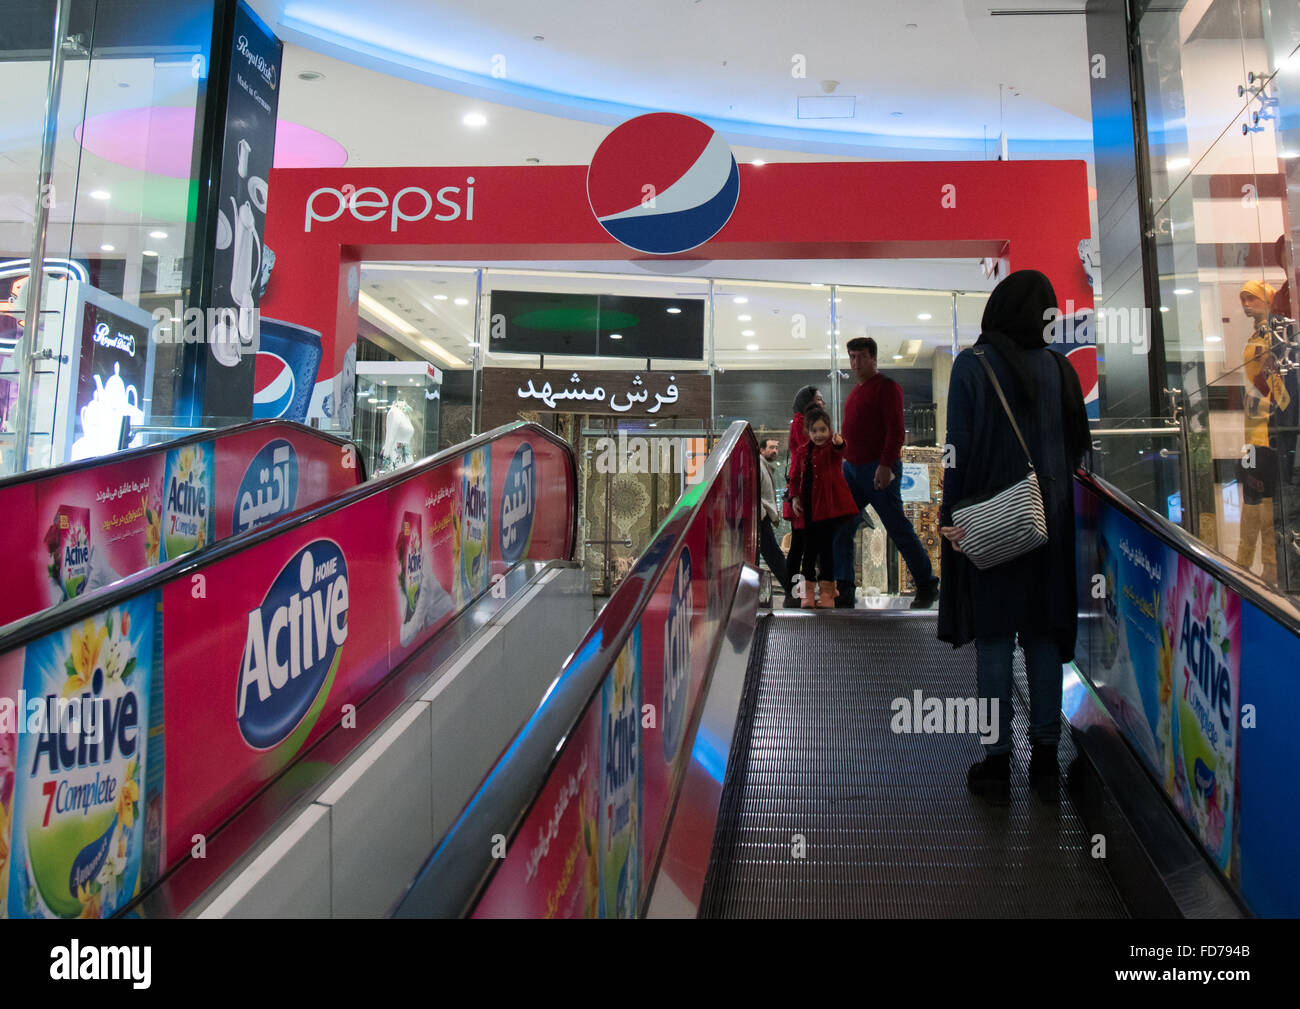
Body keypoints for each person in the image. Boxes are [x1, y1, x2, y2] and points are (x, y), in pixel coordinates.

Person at [937, 269, 1089, 805]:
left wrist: (950, 513)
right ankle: (1047, 756)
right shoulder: (1058, 369)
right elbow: (1077, 449)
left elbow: (957, 447)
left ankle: (997, 760)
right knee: (1044, 635)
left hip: (995, 520)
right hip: (1052, 521)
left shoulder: (973, 366)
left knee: (997, 638)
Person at [837, 336, 940, 609]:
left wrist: (885, 465)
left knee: (896, 526)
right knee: (842, 526)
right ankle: (844, 587)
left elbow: (895, 430)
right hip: (853, 469)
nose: (855, 362)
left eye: (860, 356)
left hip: (876, 468)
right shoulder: (856, 392)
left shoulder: (887, 387)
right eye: (851, 357)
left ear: (873, 358)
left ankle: (927, 583)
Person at [1237, 279, 1289, 584]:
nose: (1246, 305)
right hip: (1252, 424)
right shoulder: (1256, 333)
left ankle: (1270, 564)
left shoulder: (1275, 332)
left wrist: (1260, 390)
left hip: (1269, 422)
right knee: (1251, 492)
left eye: (1252, 299)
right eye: (1243, 299)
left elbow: (1275, 366)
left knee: (1266, 496)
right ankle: (1245, 560)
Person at [788, 406, 859, 608]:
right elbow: (794, 477)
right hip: (808, 510)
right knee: (809, 552)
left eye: (823, 430)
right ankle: (807, 595)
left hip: (828, 509)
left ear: (829, 430)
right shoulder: (802, 452)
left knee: (826, 551)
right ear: (808, 432)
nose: (819, 435)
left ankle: (827, 595)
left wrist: (840, 443)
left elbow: (841, 451)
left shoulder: (831, 449)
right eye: (814, 431)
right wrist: (794, 498)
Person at [781, 385, 822, 607]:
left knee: (801, 543)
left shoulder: (802, 421)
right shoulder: (800, 421)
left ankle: (795, 590)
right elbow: (801, 454)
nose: (822, 402)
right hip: (803, 493)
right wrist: (797, 493)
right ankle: (796, 590)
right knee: (802, 543)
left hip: (803, 492)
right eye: (818, 398)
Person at [757, 436, 795, 603]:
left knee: (772, 555)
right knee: (774, 555)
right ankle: (792, 591)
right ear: (762, 450)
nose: (774, 451)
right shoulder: (758, 466)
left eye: (776, 447)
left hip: (762, 516)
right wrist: (763, 513)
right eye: (771, 447)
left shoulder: (764, 466)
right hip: (761, 517)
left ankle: (791, 590)